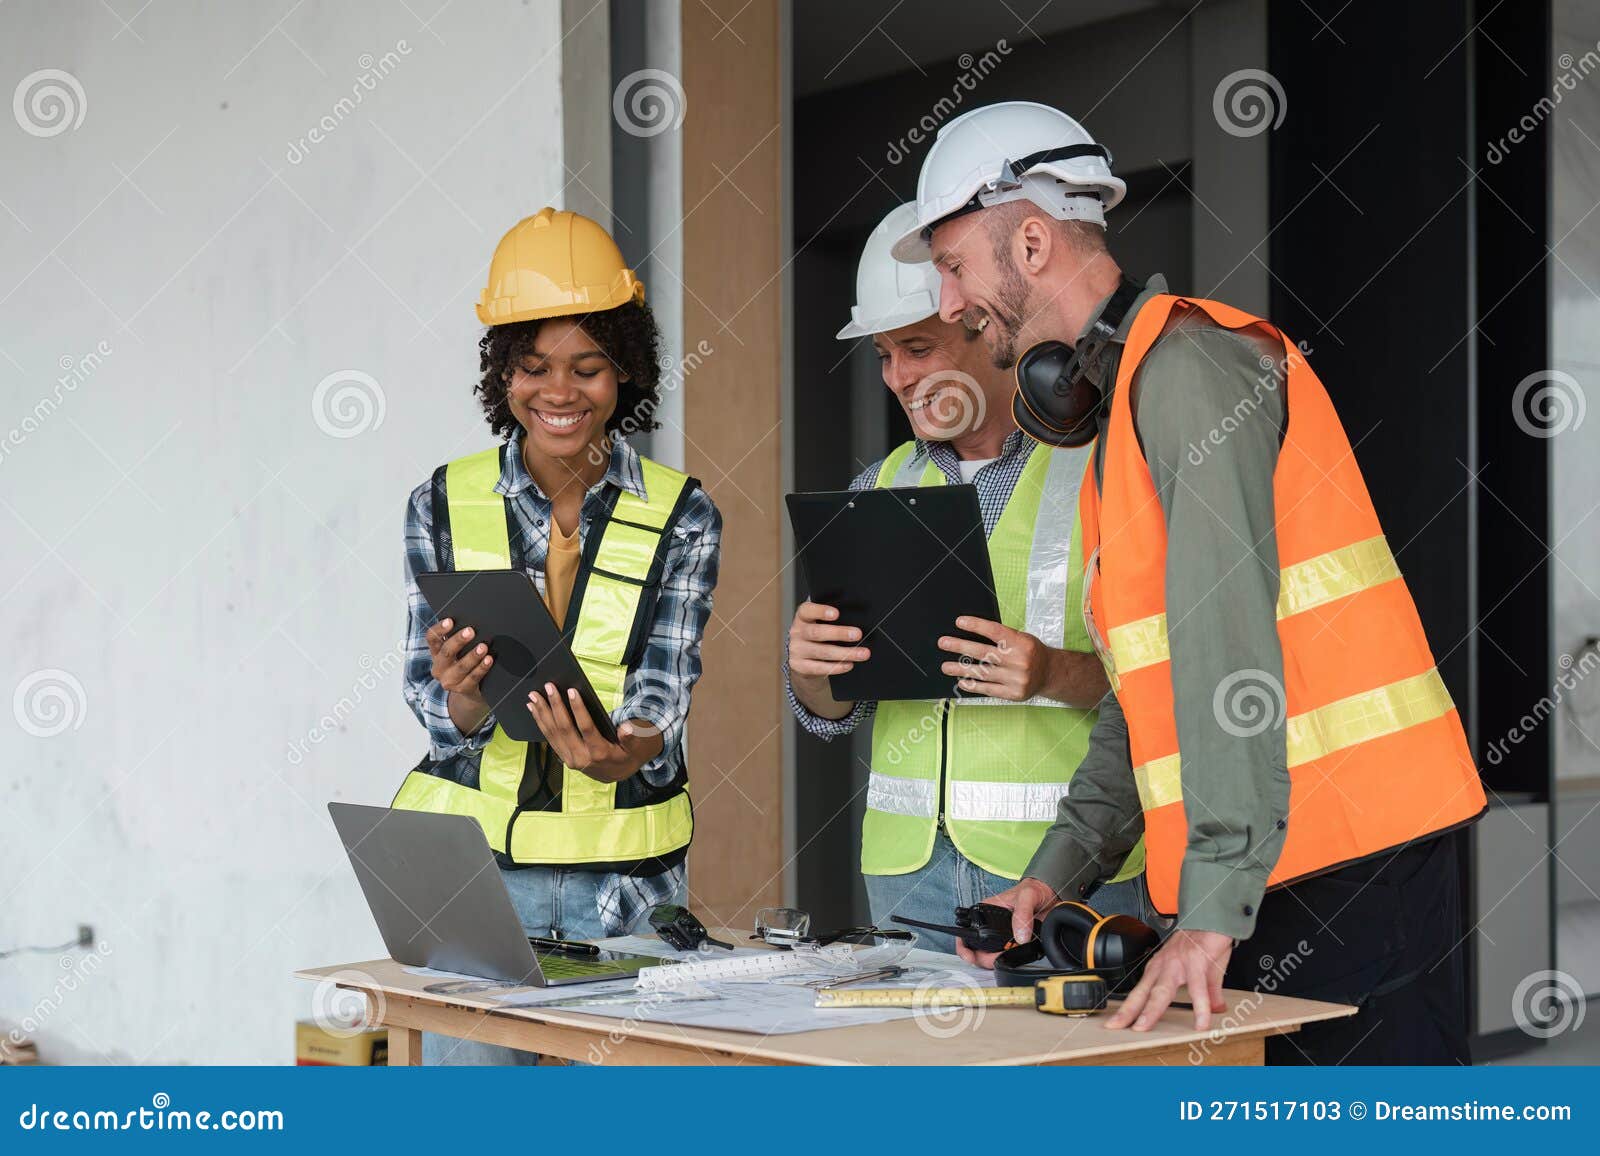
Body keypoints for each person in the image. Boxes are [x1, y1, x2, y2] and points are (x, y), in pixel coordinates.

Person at [893, 101, 1486, 1063]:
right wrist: (1054, 879)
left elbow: (1228, 644)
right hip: (1278, 869)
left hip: (1351, 860)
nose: (951, 301)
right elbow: (1153, 689)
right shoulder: (1127, 401)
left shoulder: (1188, 374)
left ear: (1033, 241)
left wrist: (1213, 907)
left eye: (955, 265)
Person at [393, 207, 722, 1064]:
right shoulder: (440, 502)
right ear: (503, 373)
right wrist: (460, 693)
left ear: (626, 373)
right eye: (533, 366)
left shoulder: (681, 513)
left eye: (588, 367)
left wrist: (628, 751)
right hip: (477, 892)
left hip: (624, 894)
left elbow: (663, 687)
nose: (559, 392)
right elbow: (432, 709)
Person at [785, 202, 1143, 955]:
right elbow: (833, 710)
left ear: (985, 324)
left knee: (1070, 1073)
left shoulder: (1105, 473)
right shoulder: (873, 488)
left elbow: (1163, 683)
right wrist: (812, 673)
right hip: (906, 874)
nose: (899, 378)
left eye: (917, 347)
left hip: (1068, 867)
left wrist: (1048, 671)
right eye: (883, 356)